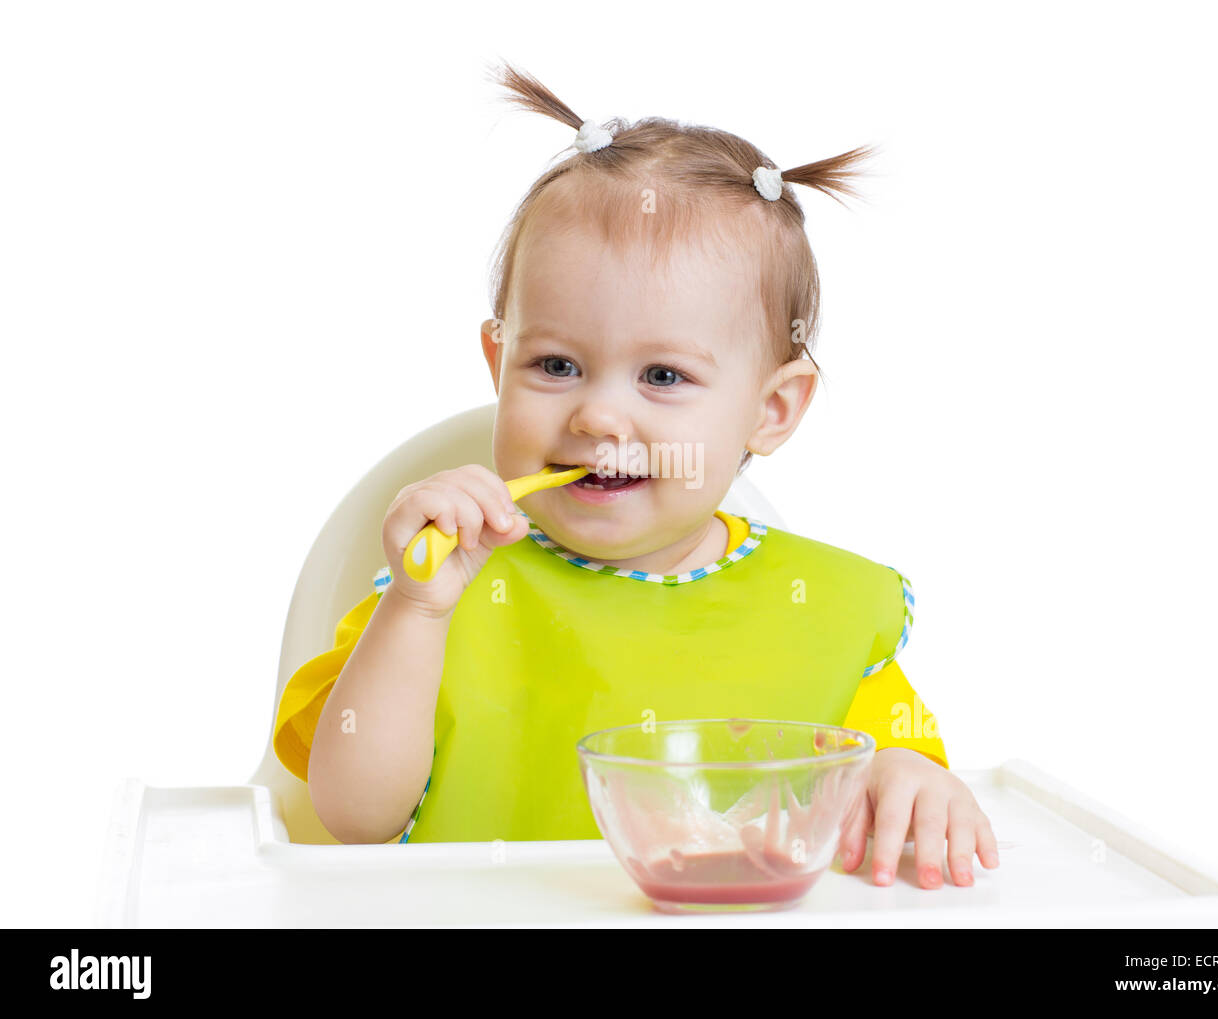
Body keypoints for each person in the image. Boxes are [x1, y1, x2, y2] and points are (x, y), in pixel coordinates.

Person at [274, 61, 998, 890]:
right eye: (554, 364)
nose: (598, 419)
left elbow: (907, 796)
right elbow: (352, 815)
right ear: (496, 361)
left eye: (662, 377)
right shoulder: (444, 586)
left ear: (772, 410)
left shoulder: (831, 614)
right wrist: (415, 605)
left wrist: (911, 784)